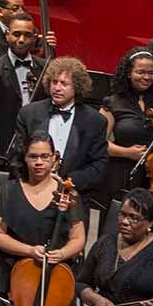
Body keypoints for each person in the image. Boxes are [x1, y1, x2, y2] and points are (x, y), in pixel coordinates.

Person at [0, 136, 89, 306]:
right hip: (13, 277)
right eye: (33, 156)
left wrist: (62, 253)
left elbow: (78, 238)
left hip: (54, 279)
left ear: (54, 159)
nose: (39, 162)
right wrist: (28, 250)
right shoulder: (8, 190)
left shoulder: (67, 192)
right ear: (24, 158)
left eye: (45, 156)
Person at [12, 56, 112, 200]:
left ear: (77, 87)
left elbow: (99, 165)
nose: (57, 88)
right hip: (31, 192)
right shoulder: (28, 113)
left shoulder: (95, 121)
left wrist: (67, 182)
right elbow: (17, 156)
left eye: (64, 83)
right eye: (54, 82)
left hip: (71, 195)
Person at [102, 48, 153, 208]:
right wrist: (127, 152)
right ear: (128, 73)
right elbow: (99, 143)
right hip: (122, 172)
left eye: (151, 73)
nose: (146, 77)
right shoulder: (113, 102)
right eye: (140, 72)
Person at [0, 11, 51, 164]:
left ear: (35, 37)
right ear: (7, 35)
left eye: (27, 35)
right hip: (4, 151)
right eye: (16, 34)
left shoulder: (45, 68)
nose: (21, 40)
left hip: (40, 149)